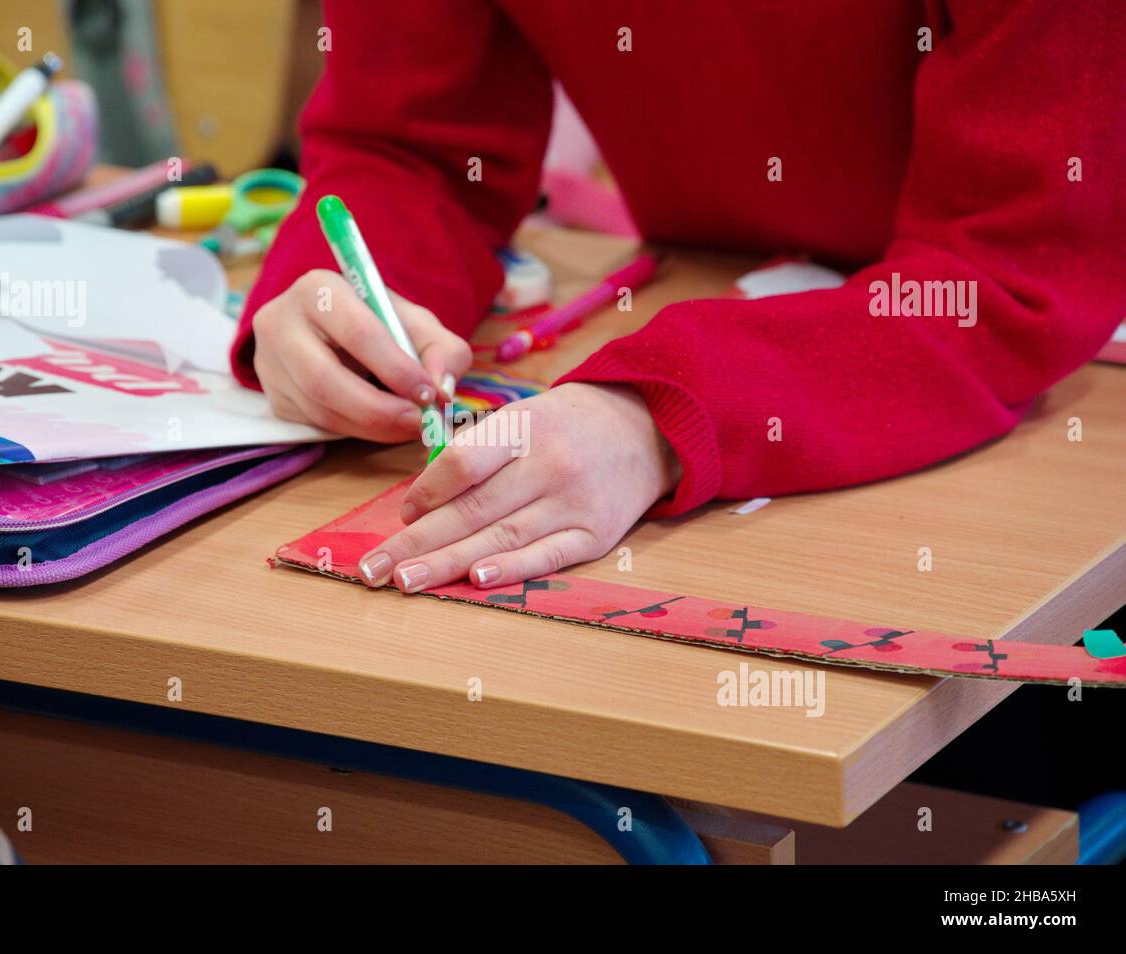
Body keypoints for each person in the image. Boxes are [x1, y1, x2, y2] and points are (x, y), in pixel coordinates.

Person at [229, 1, 1124, 594]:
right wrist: (343, 304)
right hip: (733, 297)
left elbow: (1006, 276)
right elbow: (412, 146)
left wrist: (654, 415)